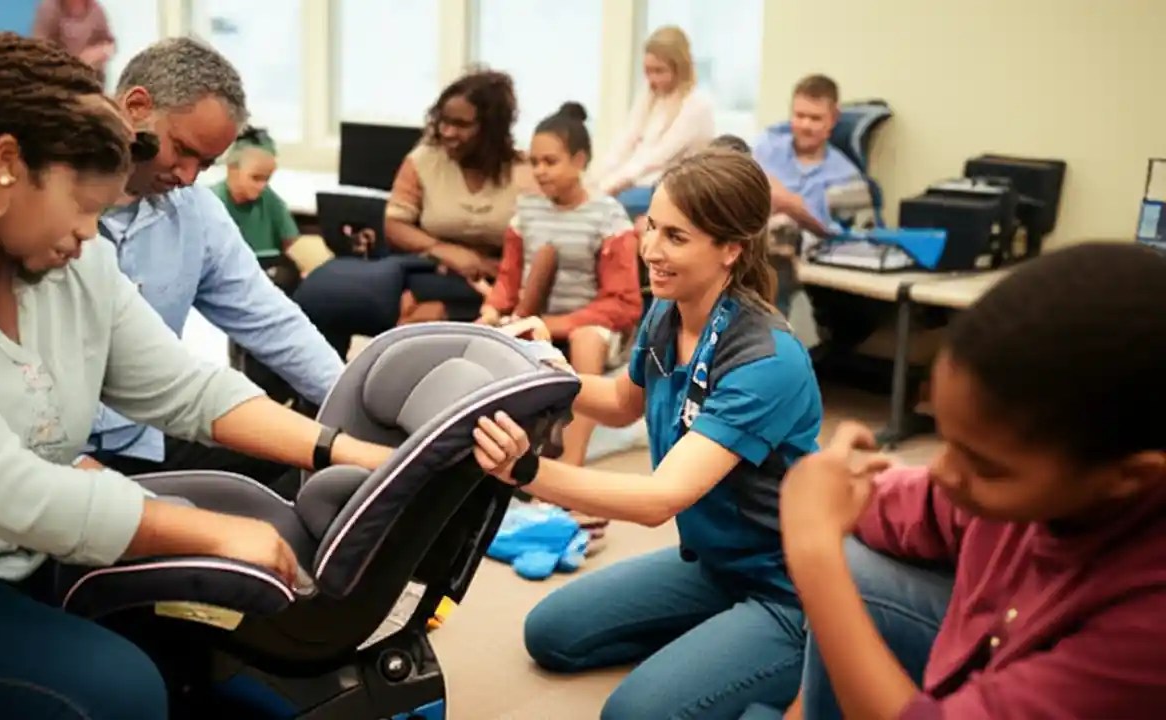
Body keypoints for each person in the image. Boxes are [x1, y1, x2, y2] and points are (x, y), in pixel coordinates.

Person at [0, 5, 518, 718]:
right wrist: (211, 529)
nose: (94, 236)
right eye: (82, 209)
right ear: (6, 164)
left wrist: (362, 454)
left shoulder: (74, 263)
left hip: (27, 551)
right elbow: (9, 489)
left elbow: (188, 389)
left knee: (211, 671)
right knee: (122, 690)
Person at [474, 147, 824, 719]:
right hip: (714, 564)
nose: (651, 250)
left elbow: (659, 501)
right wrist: (543, 368)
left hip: (790, 591)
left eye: (677, 238)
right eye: (653, 227)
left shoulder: (768, 360)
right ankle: (722, 644)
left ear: (731, 249)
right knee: (551, 635)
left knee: (631, 715)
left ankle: (800, 674)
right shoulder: (669, 310)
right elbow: (618, 403)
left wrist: (527, 469)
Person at [774, 243, 1166, 720]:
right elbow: (902, 504)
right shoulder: (1032, 484)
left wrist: (814, 553)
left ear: (1130, 476)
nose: (941, 471)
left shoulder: (1147, 630)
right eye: (945, 438)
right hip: (989, 654)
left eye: (984, 465)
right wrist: (839, 487)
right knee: (855, 559)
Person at [84, 38, 345, 495]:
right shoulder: (50, 213)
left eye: (203, 164)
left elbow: (272, 320)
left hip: (143, 436)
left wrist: (351, 407)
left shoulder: (194, 212)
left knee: (322, 461)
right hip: (52, 449)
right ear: (137, 107)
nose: (186, 176)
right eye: (181, 151)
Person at [293, 69, 534, 357]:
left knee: (431, 314)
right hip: (430, 270)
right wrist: (442, 249)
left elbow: (539, 240)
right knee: (329, 296)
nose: (447, 132)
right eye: (443, 121)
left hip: (496, 283)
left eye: (461, 124)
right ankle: (319, 390)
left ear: (492, 127)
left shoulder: (526, 172)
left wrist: (489, 264)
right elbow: (394, 224)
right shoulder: (424, 160)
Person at [478, 101, 642, 468]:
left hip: (595, 328)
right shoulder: (527, 211)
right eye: (534, 162)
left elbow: (625, 302)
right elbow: (508, 280)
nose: (539, 171)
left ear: (580, 161)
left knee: (586, 338)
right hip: (535, 319)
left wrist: (557, 325)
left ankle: (571, 465)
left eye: (550, 162)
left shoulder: (607, 215)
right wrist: (490, 312)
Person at [594, 25, 716, 219]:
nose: (652, 79)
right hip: (637, 184)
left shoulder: (697, 105)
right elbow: (626, 140)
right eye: (648, 71)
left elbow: (657, 158)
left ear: (680, 68)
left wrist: (608, 188)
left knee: (608, 208)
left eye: (659, 71)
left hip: (673, 190)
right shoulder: (650, 96)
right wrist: (596, 180)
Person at [752, 74, 860, 235]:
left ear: (833, 118)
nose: (805, 125)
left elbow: (848, 239)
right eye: (799, 116)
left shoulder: (846, 177)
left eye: (815, 118)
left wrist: (792, 207)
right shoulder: (765, 149)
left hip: (809, 254)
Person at [212, 124, 302, 293]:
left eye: (267, 179)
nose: (262, 186)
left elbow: (292, 242)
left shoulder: (269, 199)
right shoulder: (212, 203)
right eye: (256, 178)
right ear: (232, 170)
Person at [31, 0, 115, 85]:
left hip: (92, 79)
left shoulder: (95, 9)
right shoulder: (49, 8)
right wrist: (74, 62)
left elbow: (109, 44)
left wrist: (94, 53)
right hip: (59, 79)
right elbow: (39, 48)